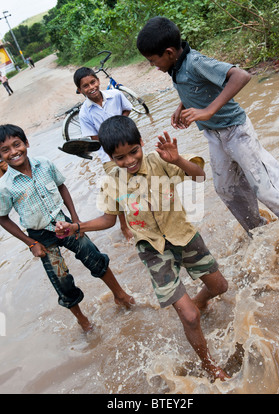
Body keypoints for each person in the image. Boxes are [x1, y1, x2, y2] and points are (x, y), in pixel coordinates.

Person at [56, 115, 230, 381]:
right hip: (152, 250)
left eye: (133, 152)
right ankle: (209, 365)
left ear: (141, 142)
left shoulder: (162, 160)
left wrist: (178, 160)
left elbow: (199, 177)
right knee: (190, 316)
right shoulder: (112, 180)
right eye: (120, 158)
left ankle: (199, 300)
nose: (129, 161)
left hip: (183, 235)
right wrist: (77, 227)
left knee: (220, 287)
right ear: (110, 158)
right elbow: (108, 219)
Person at [136, 17, 279, 237]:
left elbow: (241, 76)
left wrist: (209, 110)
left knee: (269, 191)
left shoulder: (195, 62)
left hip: (236, 131)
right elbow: (195, 87)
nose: (152, 65)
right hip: (214, 135)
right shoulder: (176, 66)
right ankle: (259, 232)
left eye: (152, 60)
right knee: (227, 190)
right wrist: (182, 105)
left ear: (169, 53)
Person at [0, 124, 135, 333]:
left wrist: (75, 219)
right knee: (61, 280)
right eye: (5, 149)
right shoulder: (5, 186)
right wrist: (31, 243)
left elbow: (62, 186)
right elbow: (3, 217)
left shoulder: (44, 164)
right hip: (39, 236)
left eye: (16, 144)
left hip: (64, 223)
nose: (13, 152)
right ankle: (82, 320)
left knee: (93, 256)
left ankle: (120, 294)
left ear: (26, 143)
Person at [73, 66, 133, 240]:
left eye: (93, 82)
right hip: (107, 155)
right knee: (118, 189)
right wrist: (112, 139)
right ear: (79, 90)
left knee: (141, 180)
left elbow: (126, 110)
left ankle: (147, 215)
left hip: (128, 145)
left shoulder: (115, 95)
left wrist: (123, 125)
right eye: (85, 86)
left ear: (98, 81)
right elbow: (94, 138)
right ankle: (124, 225)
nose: (91, 87)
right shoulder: (85, 113)